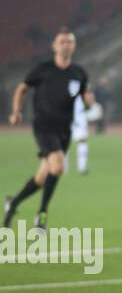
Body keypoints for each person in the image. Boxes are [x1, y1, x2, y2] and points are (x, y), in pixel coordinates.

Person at [5, 29, 95, 231]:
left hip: (65, 130)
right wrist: (16, 111)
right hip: (44, 127)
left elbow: (86, 98)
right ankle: (42, 214)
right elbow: (22, 88)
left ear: (74, 46)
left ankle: (13, 203)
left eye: (70, 42)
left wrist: (90, 102)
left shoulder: (79, 73)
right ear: (54, 46)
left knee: (41, 178)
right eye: (62, 41)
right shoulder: (43, 69)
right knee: (58, 167)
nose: (66, 45)